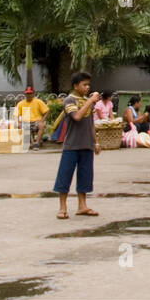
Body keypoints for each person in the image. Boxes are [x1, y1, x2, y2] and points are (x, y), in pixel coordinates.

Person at [53, 73, 101, 219]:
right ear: (75, 86)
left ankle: (82, 205)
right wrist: (90, 101)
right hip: (71, 145)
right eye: (84, 85)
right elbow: (77, 117)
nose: (87, 87)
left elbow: (91, 123)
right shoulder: (69, 100)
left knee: (85, 175)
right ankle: (62, 207)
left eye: (88, 85)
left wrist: (95, 141)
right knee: (65, 175)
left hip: (86, 144)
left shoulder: (88, 101)